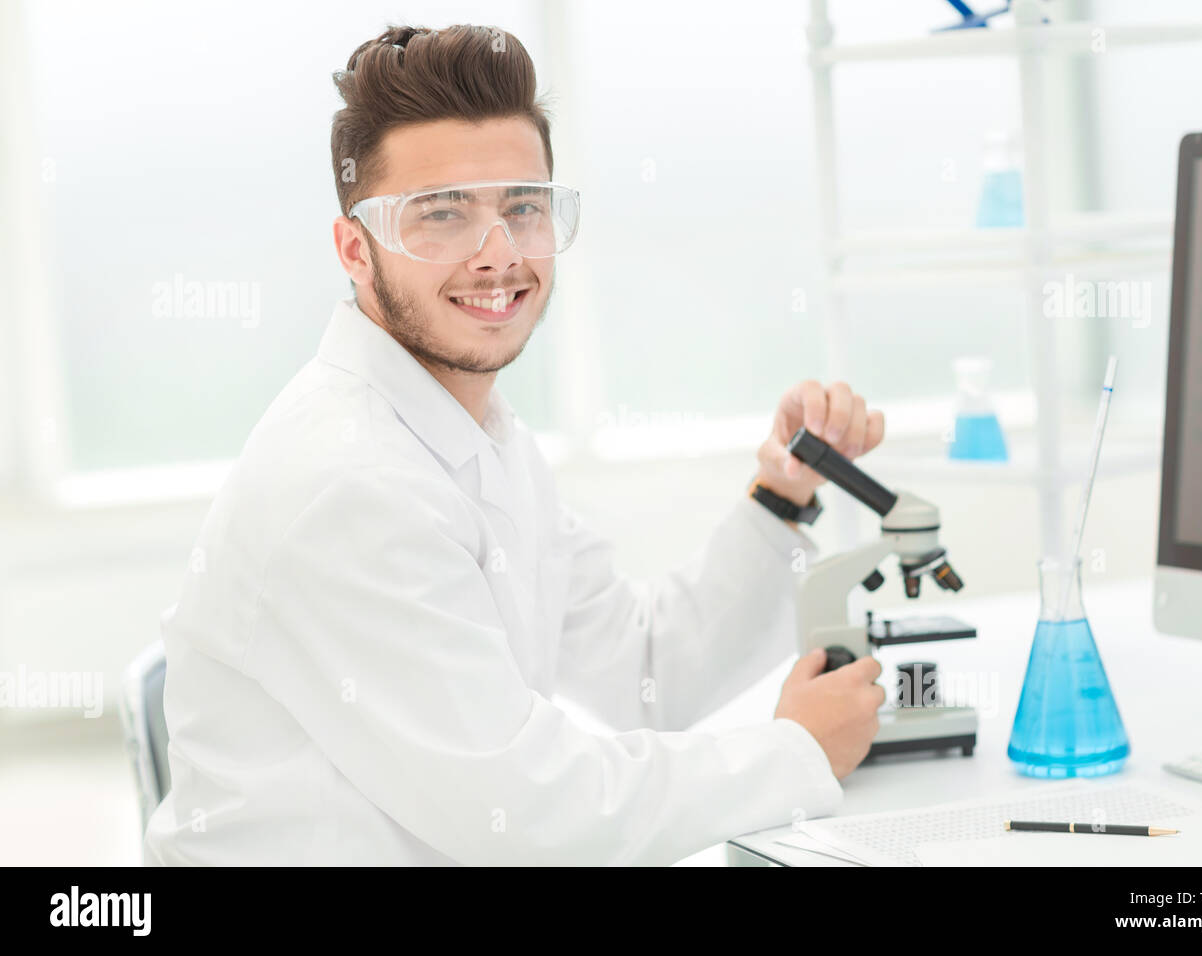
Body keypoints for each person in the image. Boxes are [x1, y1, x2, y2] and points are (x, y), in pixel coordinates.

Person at [144, 23, 886, 866]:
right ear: (356, 249)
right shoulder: (348, 483)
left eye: (523, 208)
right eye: (442, 215)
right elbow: (525, 812)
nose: (497, 257)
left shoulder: (481, 438)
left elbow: (645, 670)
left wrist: (781, 496)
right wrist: (793, 754)